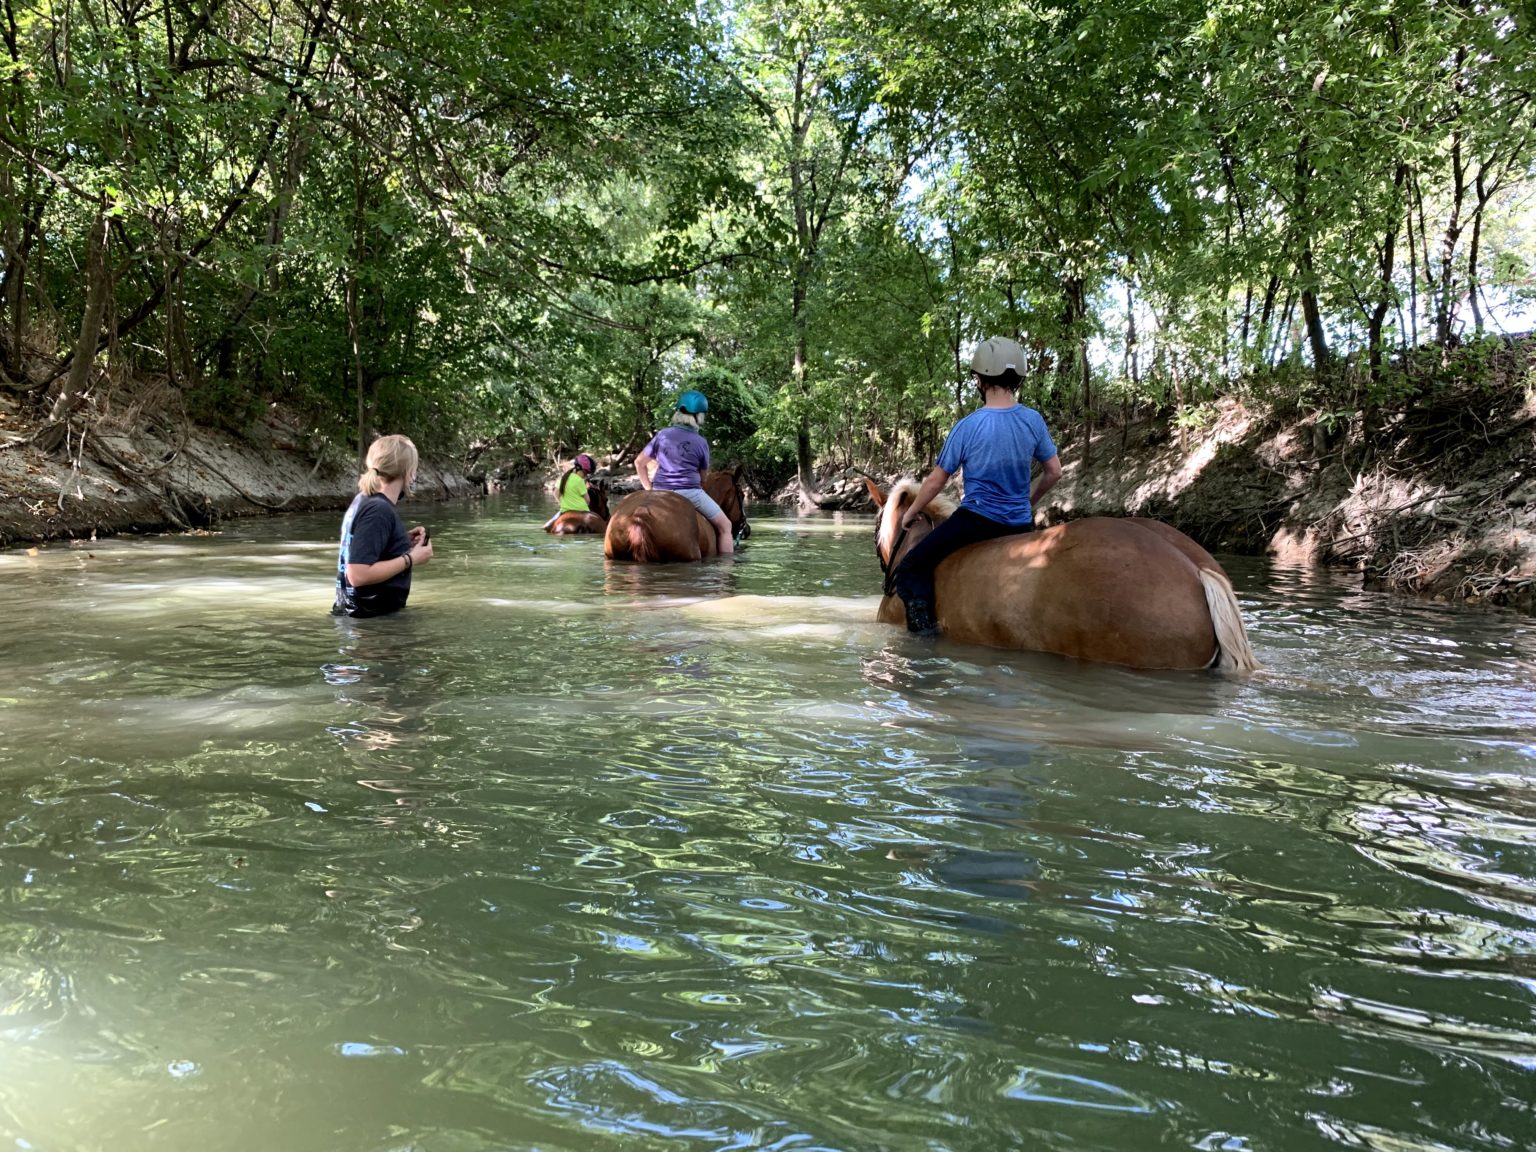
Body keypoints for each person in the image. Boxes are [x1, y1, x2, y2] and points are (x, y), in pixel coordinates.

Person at [892, 336, 1063, 635]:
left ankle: (923, 638)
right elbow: (1053, 473)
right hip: (1020, 524)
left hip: (977, 522)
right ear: (1018, 379)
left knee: (911, 567)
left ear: (979, 380)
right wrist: (1028, 502)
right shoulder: (1033, 421)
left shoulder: (967, 426)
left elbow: (936, 481)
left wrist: (910, 513)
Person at [332, 434, 434, 618]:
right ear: (408, 472)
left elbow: (363, 550)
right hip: (371, 624)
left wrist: (399, 542)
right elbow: (358, 575)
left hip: (362, 619)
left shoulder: (364, 500)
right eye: (414, 469)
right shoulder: (379, 510)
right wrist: (412, 558)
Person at [635, 389, 734, 555]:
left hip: (660, 491)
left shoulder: (662, 435)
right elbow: (703, 477)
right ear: (698, 416)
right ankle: (725, 573)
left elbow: (639, 463)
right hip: (690, 492)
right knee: (726, 526)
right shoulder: (701, 442)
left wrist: (649, 490)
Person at [542, 452, 597, 529]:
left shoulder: (562, 478)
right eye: (587, 473)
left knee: (546, 527)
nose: (586, 475)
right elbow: (587, 501)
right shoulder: (580, 481)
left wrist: (563, 504)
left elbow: (556, 493)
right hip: (583, 511)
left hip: (565, 511)